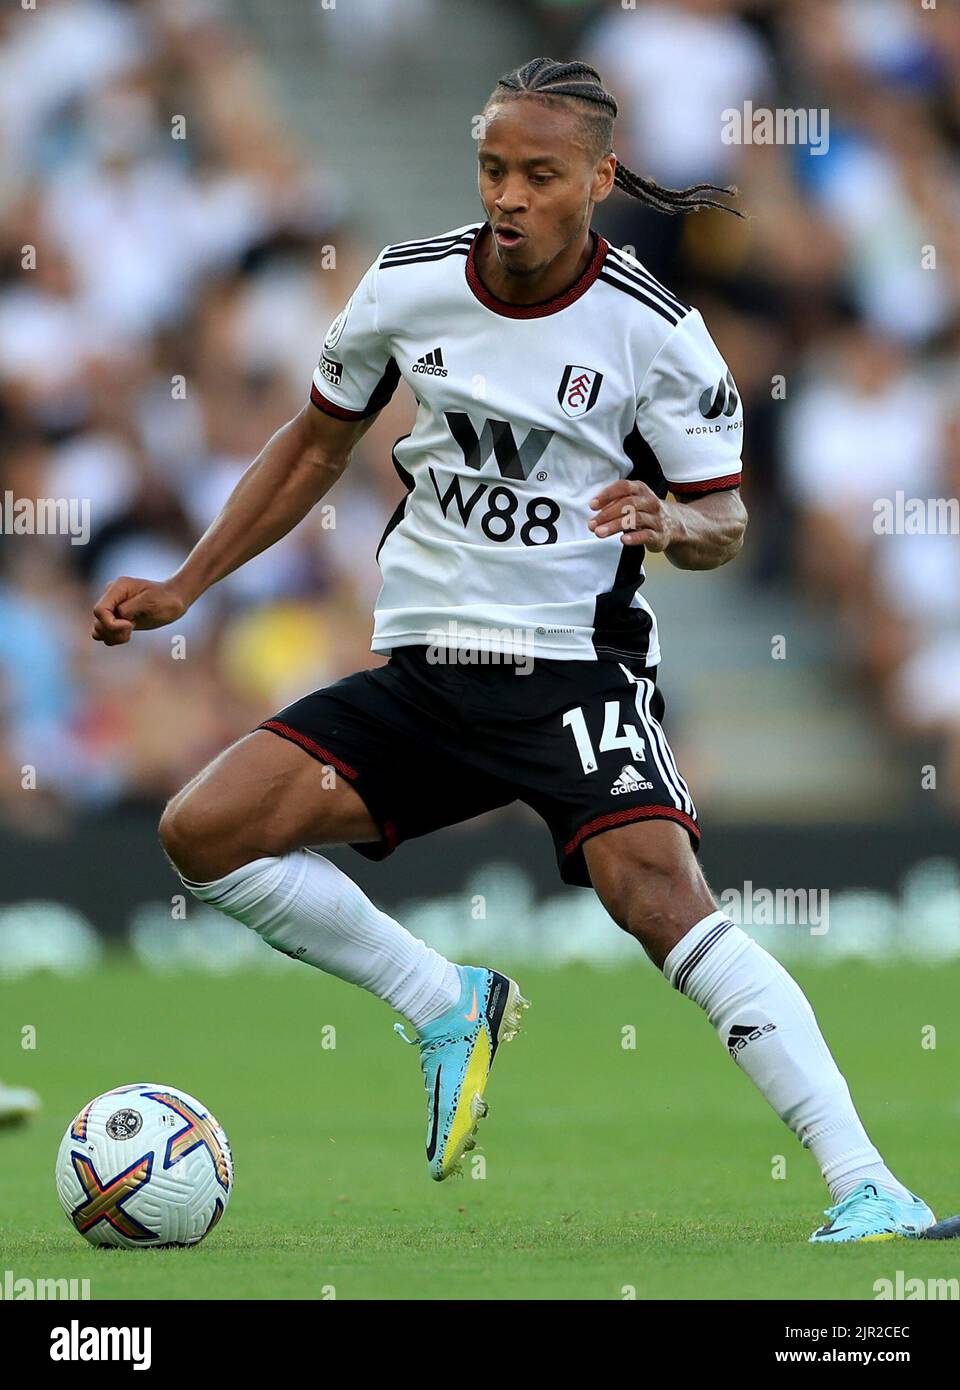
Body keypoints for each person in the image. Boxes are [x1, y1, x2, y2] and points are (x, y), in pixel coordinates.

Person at [93, 58, 934, 1241]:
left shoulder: (655, 332)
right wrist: (188, 581)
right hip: (427, 671)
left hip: (570, 673)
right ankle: (444, 1003)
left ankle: (867, 1185)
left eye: (540, 174)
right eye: (494, 168)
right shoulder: (407, 287)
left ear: (597, 178)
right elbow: (312, 445)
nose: (509, 195)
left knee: (663, 902)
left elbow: (727, 519)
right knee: (203, 832)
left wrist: (669, 519)